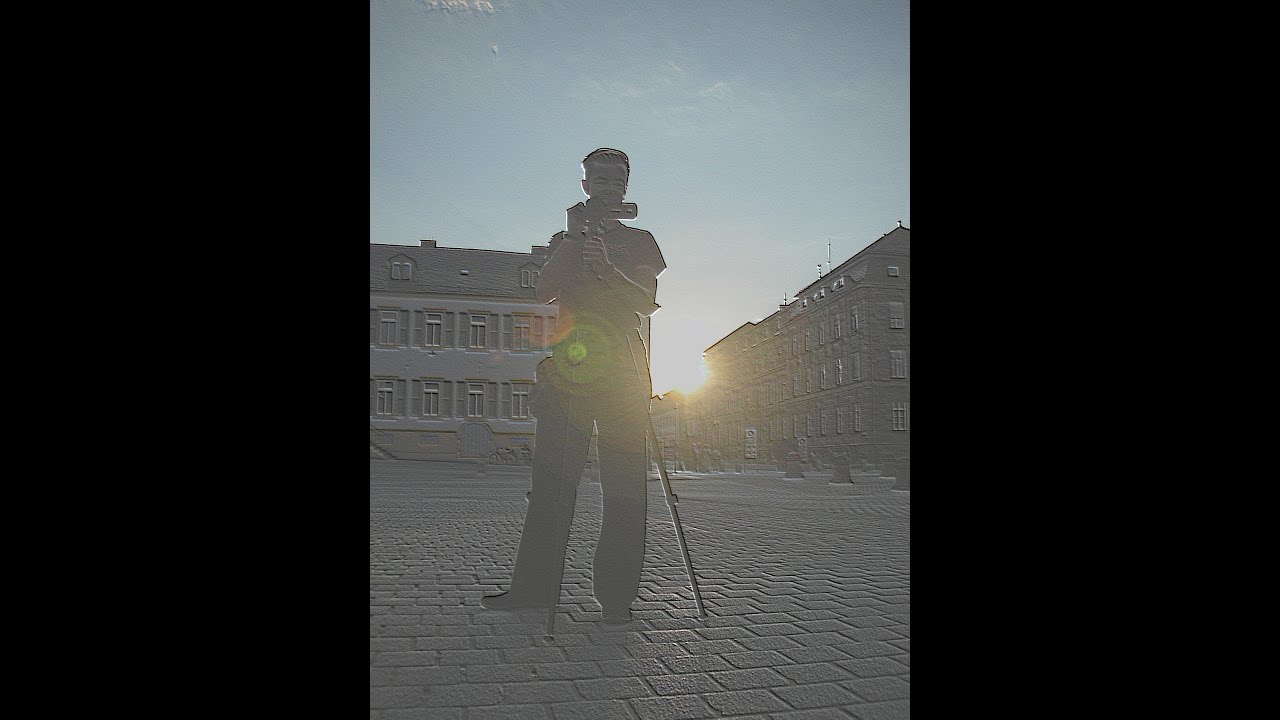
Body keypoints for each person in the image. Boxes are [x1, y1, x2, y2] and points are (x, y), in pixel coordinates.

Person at [481, 148, 665, 625]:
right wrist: (575, 236)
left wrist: (608, 268)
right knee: (551, 484)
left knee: (625, 486)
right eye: (599, 178)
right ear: (585, 184)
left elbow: (646, 302)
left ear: (627, 185)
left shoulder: (642, 240)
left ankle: (618, 597)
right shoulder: (565, 239)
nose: (609, 186)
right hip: (572, 364)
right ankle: (534, 590)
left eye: (617, 179)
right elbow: (545, 290)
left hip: (623, 367)